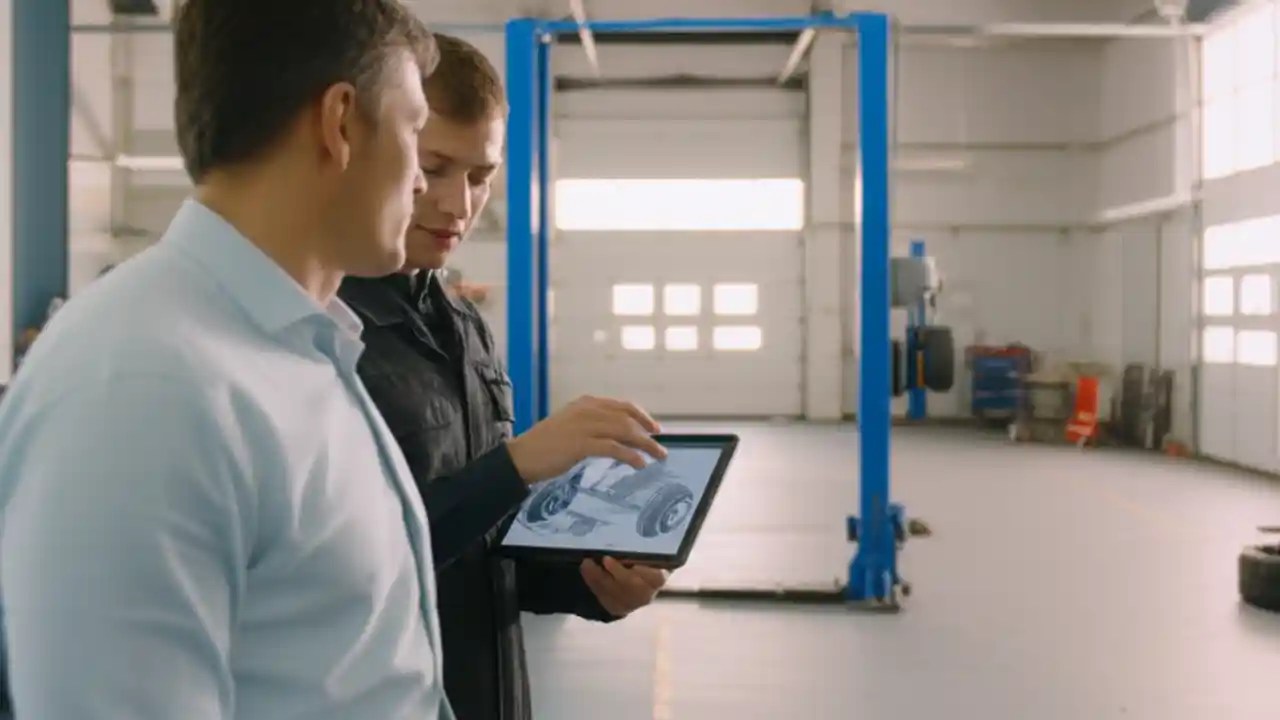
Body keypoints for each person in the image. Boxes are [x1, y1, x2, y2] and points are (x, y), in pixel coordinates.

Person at [0, 2, 452, 719]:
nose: (424, 182)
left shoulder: (301, 350)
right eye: (413, 129)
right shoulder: (145, 387)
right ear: (339, 123)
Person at [338, 34, 671, 720]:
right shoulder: (325, 334)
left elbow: (484, 551)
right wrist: (517, 464)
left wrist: (588, 586)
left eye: (482, 174)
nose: (461, 203)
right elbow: (347, 566)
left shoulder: (465, 328)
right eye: (435, 166)